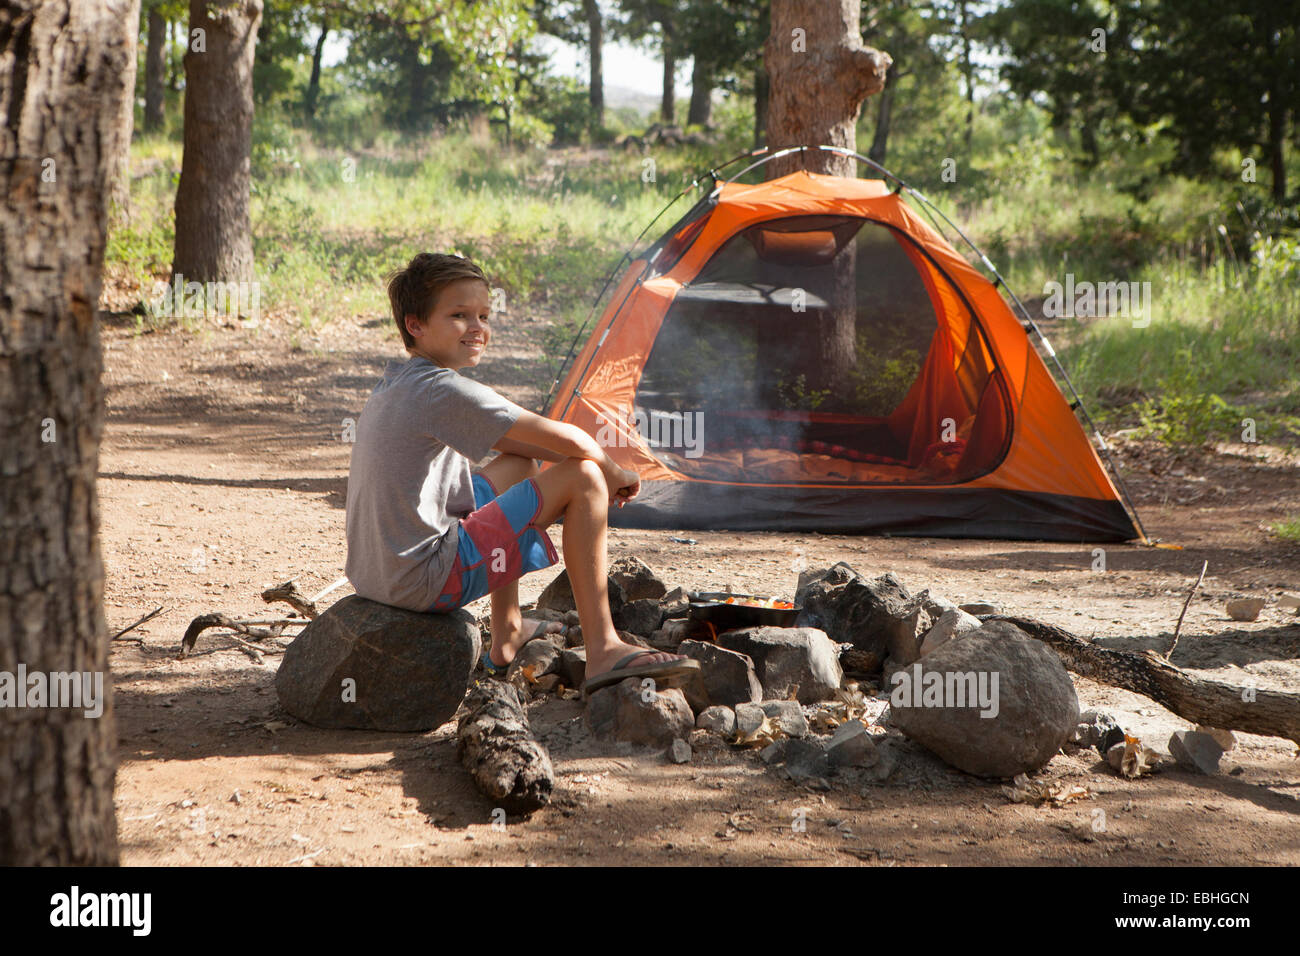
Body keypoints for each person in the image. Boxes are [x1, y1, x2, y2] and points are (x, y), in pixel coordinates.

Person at [344, 252, 698, 696]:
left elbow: (527, 446)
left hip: (380, 570)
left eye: (483, 315)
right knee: (583, 478)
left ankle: (507, 628)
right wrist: (611, 470)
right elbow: (569, 442)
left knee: (519, 465)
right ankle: (605, 648)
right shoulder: (440, 390)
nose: (477, 328)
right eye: (459, 315)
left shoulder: (401, 380)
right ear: (415, 325)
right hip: (422, 579)